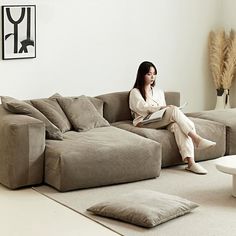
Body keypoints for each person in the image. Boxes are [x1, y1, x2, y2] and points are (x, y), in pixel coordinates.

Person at [129, 61, 216, 174]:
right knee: (173, 109)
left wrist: (164, 109)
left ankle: (191, 163)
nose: (152, 77)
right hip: (144, 121)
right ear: (142, 75)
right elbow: (142, 108)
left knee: (177, 126)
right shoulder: (135, 92)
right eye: (149, 74)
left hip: (159, 120)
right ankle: (196, 139)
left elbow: (164, 111)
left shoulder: (159, 92)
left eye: (154, 74)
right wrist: (162, 108)